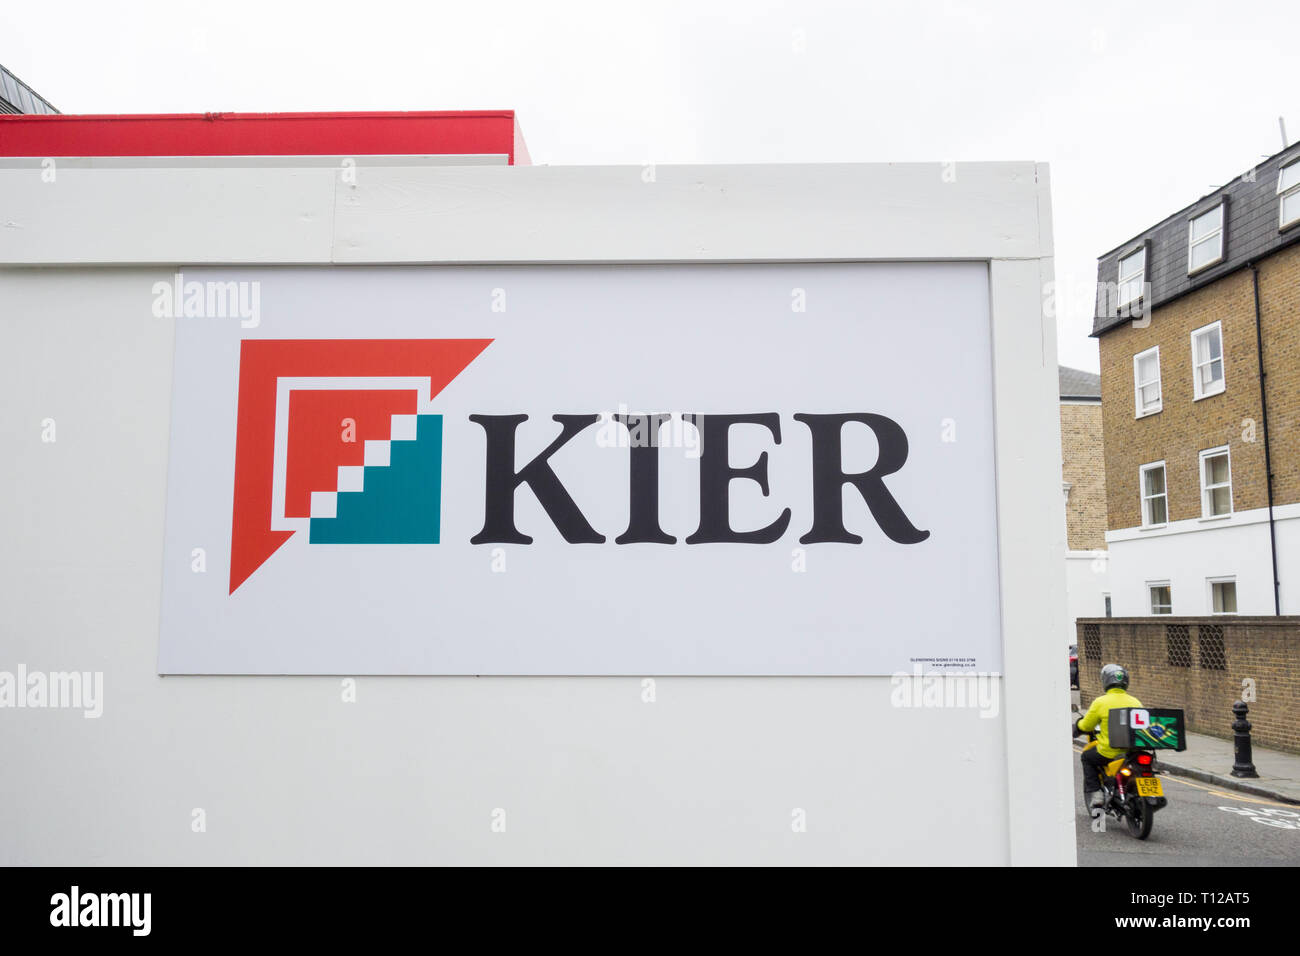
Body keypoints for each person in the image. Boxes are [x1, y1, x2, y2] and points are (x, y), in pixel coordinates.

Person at [1073, 663, 1142, 812]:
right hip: (1132, 752)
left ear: (1105, 681)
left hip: (1109, 752)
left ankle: (1096, 794)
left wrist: (1077, 726)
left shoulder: (1101, 702)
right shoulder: (1135, 701)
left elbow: (1086, 726)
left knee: (1087, 757)